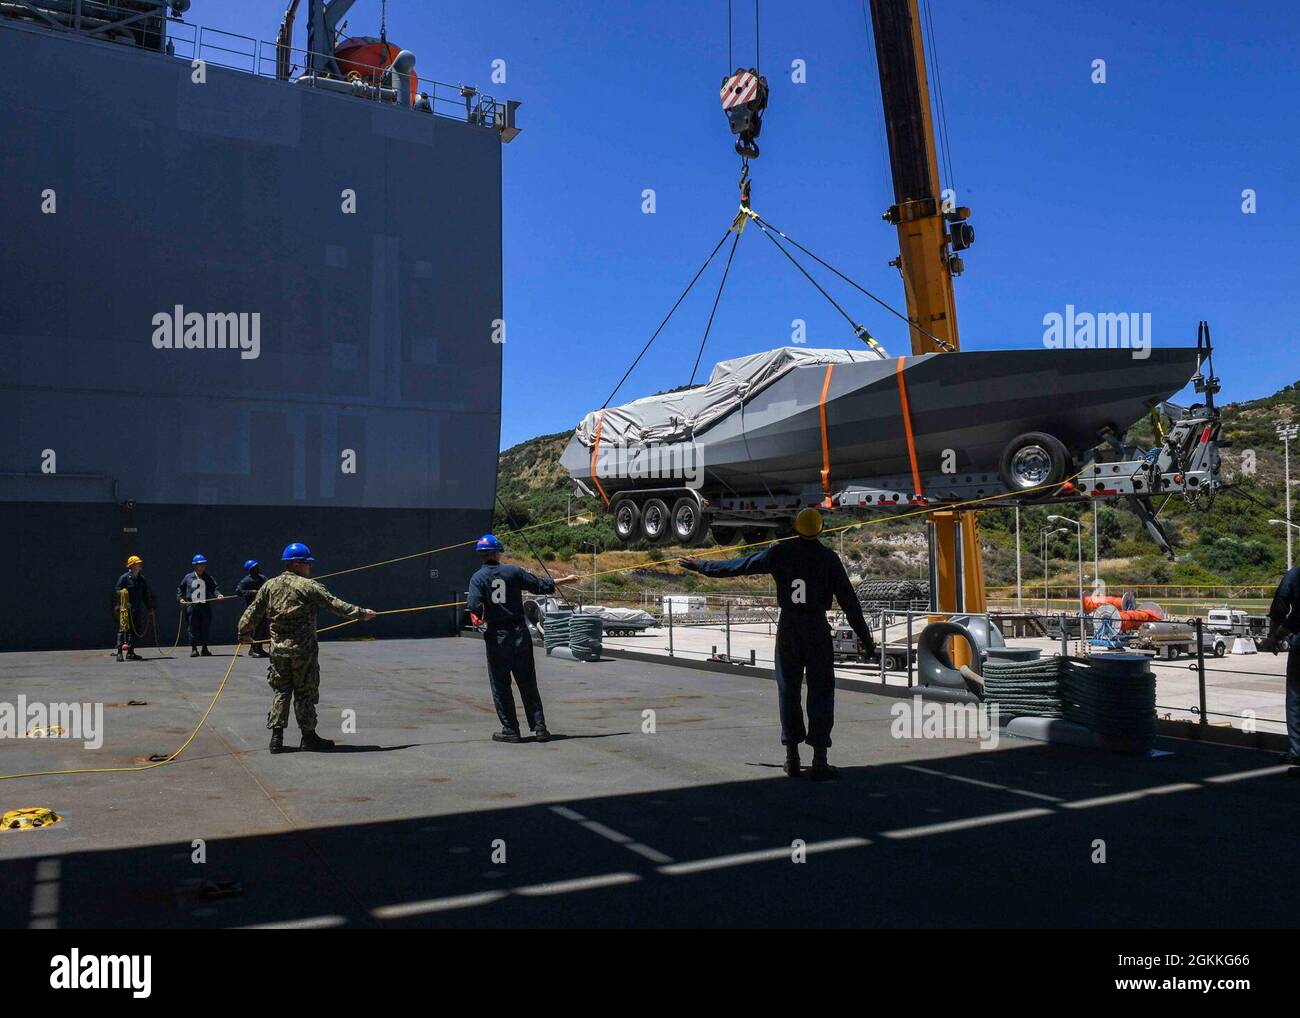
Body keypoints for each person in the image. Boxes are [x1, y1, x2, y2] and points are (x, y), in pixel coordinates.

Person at [681, 508, 875, 780]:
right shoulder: (829, 559)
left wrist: (703, 567)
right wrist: (866, 639)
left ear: (796, 528)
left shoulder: (781, 553)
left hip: (789, 628)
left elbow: (742, 564)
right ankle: (819, 759)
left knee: (788, 690)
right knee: (821, 691)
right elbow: (849, 602)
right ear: (819, 531)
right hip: (817, 628)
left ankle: (792, 758)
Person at [237, 542, 376, 755]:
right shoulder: (310, 586)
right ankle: (308, 737)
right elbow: (335, 604)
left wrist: (243, 633)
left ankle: (277, 738)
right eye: (307, 564)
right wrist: (361, 613)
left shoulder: (270, 585)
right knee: (305, 693)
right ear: (296, 564)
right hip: (303, 652)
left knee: (282, 691)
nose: (310, 568)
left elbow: (253, 611)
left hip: (278, 652)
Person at [465, 534, 579, 743]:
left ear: (480, 555)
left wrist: (478, 617)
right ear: (498, 552)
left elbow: (474, 607)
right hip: (519, 632)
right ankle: (540, 728)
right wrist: (566, 579)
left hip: (498, 636)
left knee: (501, 684)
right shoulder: (513, 571)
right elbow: (540, 585)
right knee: (527, 681)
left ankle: (510, 729)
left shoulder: (477, 578)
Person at [1261, 564, 1300, 776]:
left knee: (1296, 700)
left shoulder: (1296, 574)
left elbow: (1280, 607)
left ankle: (1298, 751)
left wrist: (1275, 636)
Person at [177, 554, 221, 657]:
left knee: (205, 627)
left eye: (203, 564)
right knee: (192, 627)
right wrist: (180, 598)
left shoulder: (208, 577)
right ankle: (194, 649)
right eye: (200, 564)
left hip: (204, 606)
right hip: (192, 607)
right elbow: (180, 588)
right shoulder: (188, 577)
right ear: (195, 565)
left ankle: (204, 648)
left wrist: (218, 595)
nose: (202, 566)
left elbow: (214, 588)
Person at [114, 555, 156, 661]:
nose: (139, 565)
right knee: (122, 630)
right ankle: (119, 653)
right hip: (125, 609)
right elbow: (117, 590)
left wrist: (150, 607)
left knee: (135, 630)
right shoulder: (124, 578)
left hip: (136, 609)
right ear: (132, 565)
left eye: (139, 563)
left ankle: (131, 652)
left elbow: (145, 595)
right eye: (137, 564)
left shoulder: (141, 579)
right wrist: (123, 594)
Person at [236, 559, 270, 657]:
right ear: (250, 570)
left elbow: (268, 586)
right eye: (255, 567)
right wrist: (251, 592)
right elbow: (238, 591)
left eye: (257, 566)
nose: (258, 569)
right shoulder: (246, 581)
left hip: (263, 608)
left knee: (262, 629)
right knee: (254, 629)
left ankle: (259, 648)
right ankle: (253, 649)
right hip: (253, 609)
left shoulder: (263, 578)